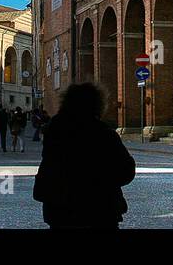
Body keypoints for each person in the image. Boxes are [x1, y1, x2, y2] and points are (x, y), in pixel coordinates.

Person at [33, 82, 136, 228]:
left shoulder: (54, 132)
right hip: (100, 209)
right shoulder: (103, 133)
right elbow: (126, 170)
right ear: (97, 104)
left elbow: (50, 168)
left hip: (60, 209)